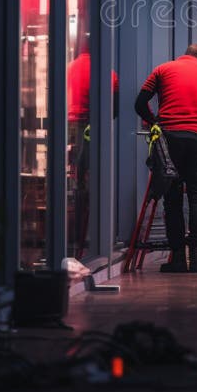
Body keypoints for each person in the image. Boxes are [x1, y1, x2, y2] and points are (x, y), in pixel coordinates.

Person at [134, 44, 197, 273]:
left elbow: (139, 104)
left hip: (169, 139)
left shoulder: (162, 69)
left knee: (172, 199)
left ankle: (178, 259)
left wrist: (153, 122)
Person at [67, 40, 119, 259]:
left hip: (71, 125)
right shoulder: (108, 73)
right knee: (94, 181)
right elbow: (113, 109)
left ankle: (74, 232)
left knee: (76, 180)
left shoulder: (69, 68)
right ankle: (91, 234)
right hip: (92, 128)